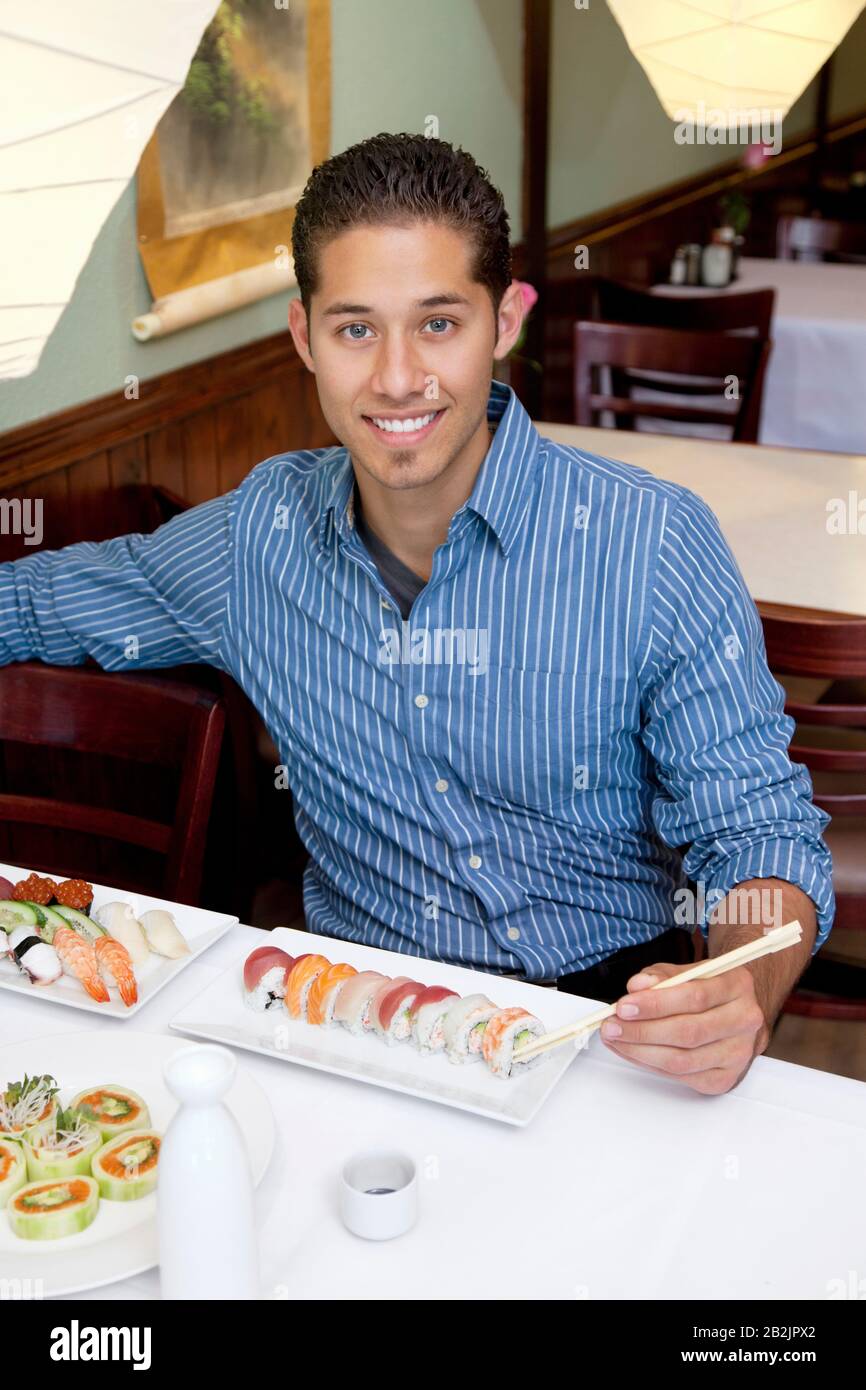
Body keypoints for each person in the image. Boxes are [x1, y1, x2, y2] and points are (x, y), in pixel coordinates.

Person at [0, 133, 833, 1094]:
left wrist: (743, 986)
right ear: (305, 337)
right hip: (345, 1025)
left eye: (438, 323)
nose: (397, 378)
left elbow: (759, 834)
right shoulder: (254, 538)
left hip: (602, 1029)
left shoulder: (652, 542)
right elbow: (33, 602)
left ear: (505, 322)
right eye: (357, 329)